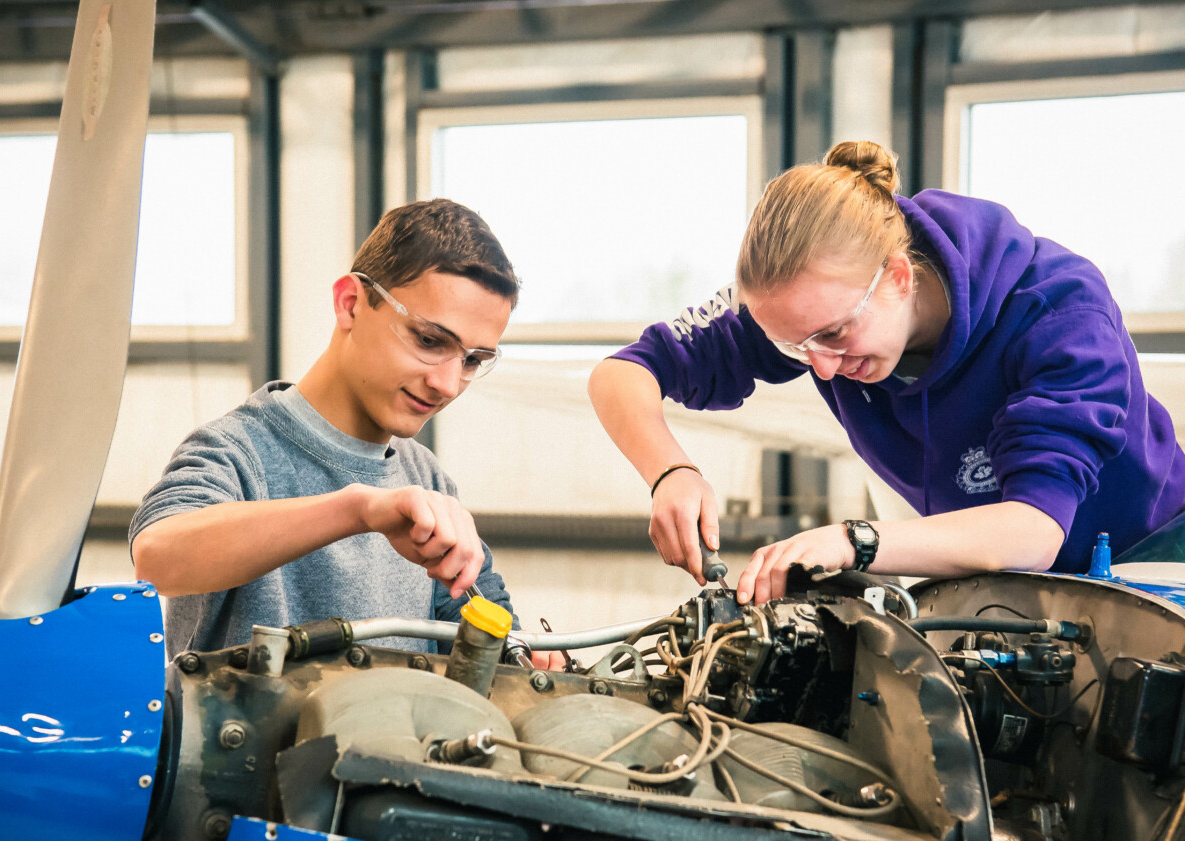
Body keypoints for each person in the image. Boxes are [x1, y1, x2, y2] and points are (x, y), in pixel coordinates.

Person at [589, 140, 1185, 607]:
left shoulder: (1058, 314)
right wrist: (670, 470)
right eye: (792, 346)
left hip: (1153, 572)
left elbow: (1032, 531)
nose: (820, 366)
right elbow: (622, 374)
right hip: (1008, 587)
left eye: (833, 335)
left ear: (900, 277)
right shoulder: (810, 304)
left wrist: (853, 540)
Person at [132, 198, 560, 667]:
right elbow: (156, 558)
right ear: (351, 304)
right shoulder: (237, 451)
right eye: (429, 340)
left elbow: (491, 638)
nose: (446, 383)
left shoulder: (427, 478)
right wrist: (359, 509)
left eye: (473, 360)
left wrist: (532, 661)